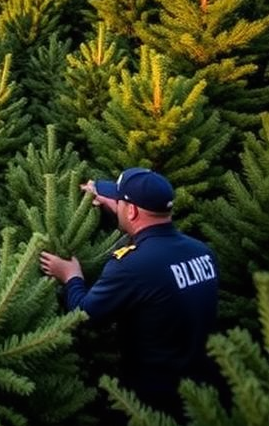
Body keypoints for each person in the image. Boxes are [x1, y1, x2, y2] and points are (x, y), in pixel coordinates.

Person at [39, 168, 218, 418]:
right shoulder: (202, 252)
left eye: (121, 201)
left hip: (153, 400)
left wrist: (71, 276)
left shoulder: (131, 265)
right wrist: (119, 205)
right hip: (202, 388)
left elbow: (85, 314)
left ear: (132, 210)